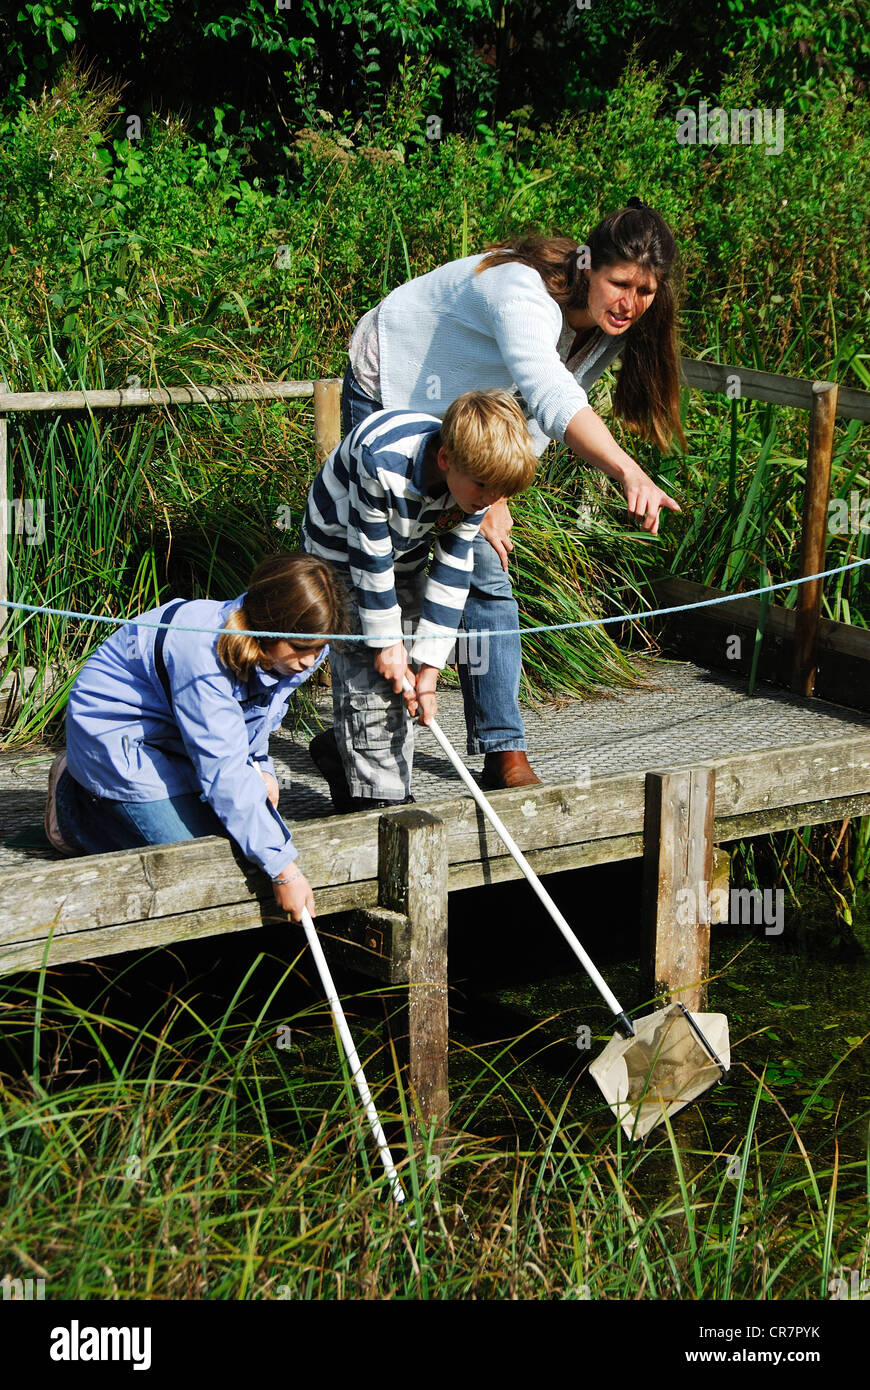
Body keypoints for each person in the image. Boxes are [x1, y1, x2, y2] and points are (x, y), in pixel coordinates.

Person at [341, 199, 685, 789]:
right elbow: (547, 389)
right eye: (620, 283)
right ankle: (365, 739)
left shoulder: (601, 331)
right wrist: (626, 471)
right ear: (589, 267)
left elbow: (532, 416)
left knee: (482, 570)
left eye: (646, 291)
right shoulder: (521, 290)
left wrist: (497, 489)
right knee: (385, 573)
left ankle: (503, 749)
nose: (631, 302)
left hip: (472, 421)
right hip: (393, 383)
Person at [45, 553, 347, 922]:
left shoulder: (293, 650)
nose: (311, 660)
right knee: (196, 856)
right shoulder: (203, 654)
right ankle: (74, 809)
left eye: (320, 648)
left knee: (240, 840)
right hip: (117, 739)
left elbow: (256, 716)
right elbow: (223, 773)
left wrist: (260, 766)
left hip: (178, 737)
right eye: (301, 649)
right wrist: (286, 871)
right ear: (267, 623)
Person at [302, 389, 538, 811]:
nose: (487, 501)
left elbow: (451, 575)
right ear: (446, 460)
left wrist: (428, 669)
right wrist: (386, 645)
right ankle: (381, 802)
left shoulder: (473, 486)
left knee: (406, 674)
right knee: (371, 670)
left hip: (403, 554)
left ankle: (344, 750)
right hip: (340, 555)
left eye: (497, 492)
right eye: (483, 487)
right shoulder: (383, 459)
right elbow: (369, 563)